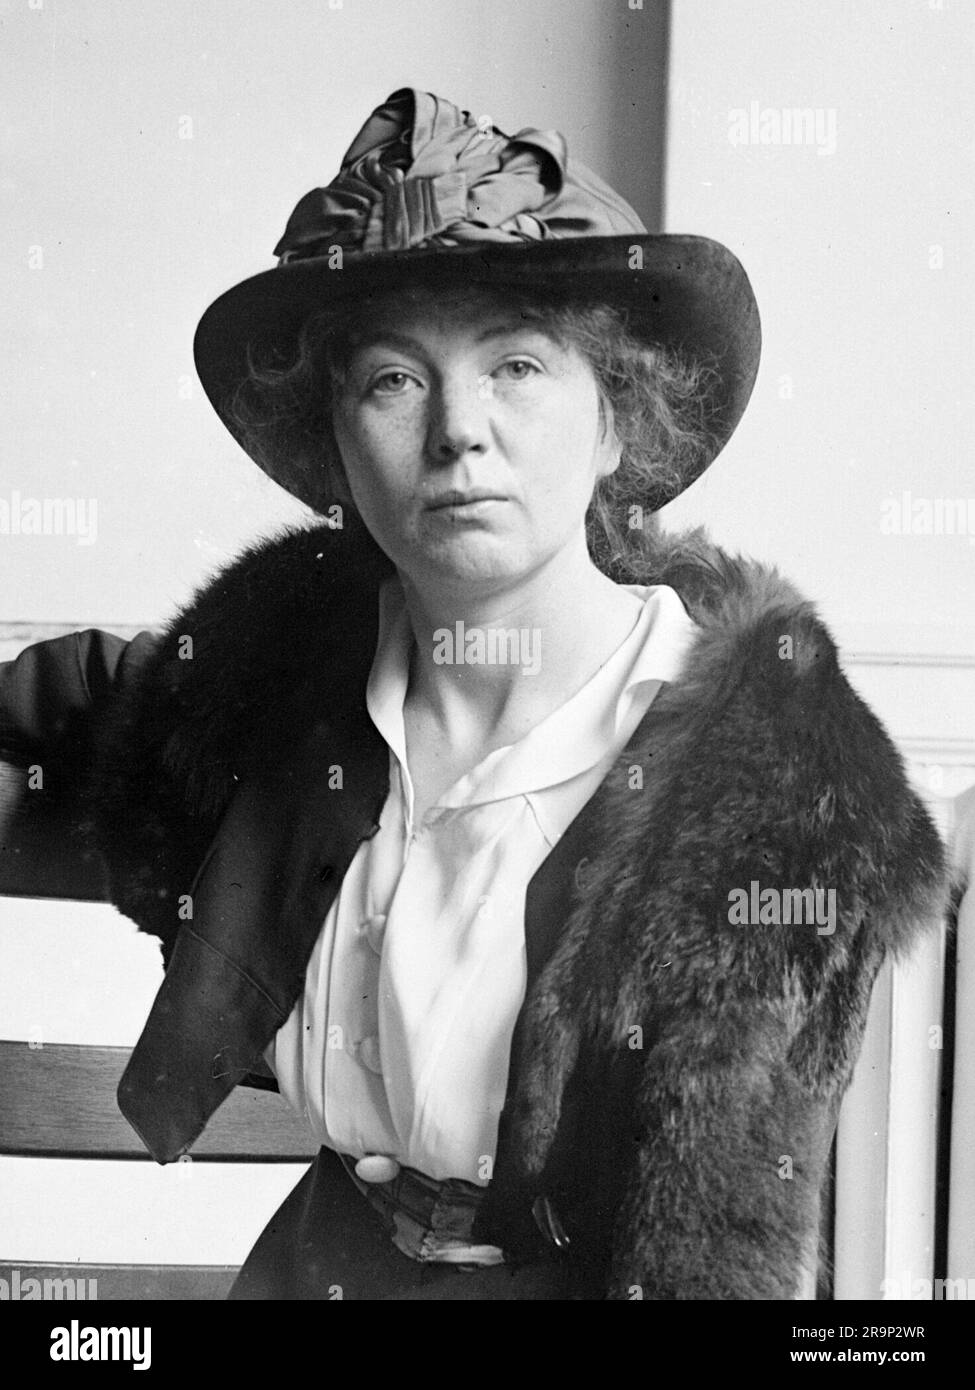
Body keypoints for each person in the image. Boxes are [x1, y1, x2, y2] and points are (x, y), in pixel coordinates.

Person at [0, 88, 947, 1300]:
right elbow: (55, 728)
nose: (459, 432)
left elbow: (718, 1254)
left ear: (618, 422)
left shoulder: (766, 803)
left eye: (515, 364)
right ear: (337, 443)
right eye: (394, 380)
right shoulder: (265, 684)